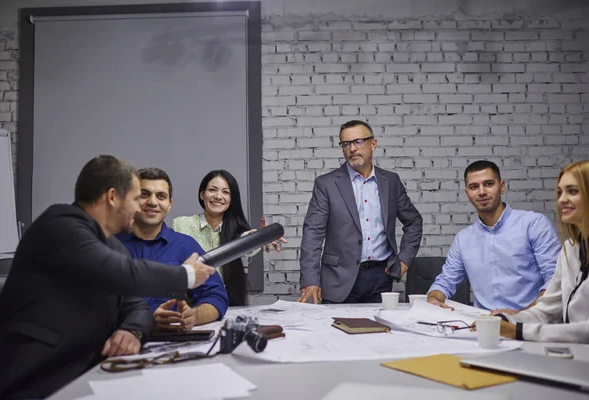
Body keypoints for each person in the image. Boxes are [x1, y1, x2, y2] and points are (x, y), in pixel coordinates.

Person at [0, 156, 216, 399]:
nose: (139, 208)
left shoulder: (110, 246)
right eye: (135, 199)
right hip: (31, 378)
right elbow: (124, 273)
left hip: (88, 373)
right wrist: (187, 274)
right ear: (112, 197)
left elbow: (136, 305)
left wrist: (132, 330)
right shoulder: (61, 224)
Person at [298, 120, 423, 304]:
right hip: (338, 279)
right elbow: (312, 233)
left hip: (381, 278)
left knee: (379, 331)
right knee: (335, 332)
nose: (352, 148)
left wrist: (404, 260)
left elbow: (413, 221)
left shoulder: (391, 181)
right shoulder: (326, 184)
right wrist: (310, 280)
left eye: (358, 141)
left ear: (373, 144)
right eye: (346, 144)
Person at [427, 160, 560, 312]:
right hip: (482, 324)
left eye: (488, 184)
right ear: (467, 193)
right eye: (474, 187)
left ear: (502, 187)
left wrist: (521, 315)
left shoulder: (534, 224)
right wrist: (433, 298)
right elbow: (445, 282)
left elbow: (555, 280)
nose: (482, 192)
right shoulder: (463, 239)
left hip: (529, 323)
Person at [116, 168, 228, 332]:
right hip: (120, 342)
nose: (153, 202)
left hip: (172, 344)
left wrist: (193, 316)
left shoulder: (185, 246)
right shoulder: (110, 244)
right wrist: (147, 320)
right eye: (145, 194)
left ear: (169, 205)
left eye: (161, 196)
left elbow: (216, 296)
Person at [495, 160, 589, 343]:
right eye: (560, 192)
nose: (562, 199)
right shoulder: (570, 250)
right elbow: (547, 310)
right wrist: (505, 320)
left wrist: (519, 331)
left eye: (573, 191)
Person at [173, 170, 286, 306]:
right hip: (190, 301)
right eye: (212, 190)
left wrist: (258, 238)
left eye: (225, 192)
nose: (218, 196)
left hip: (225, 302)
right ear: (202, 194)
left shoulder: (236, 230)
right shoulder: (182, 224)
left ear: (232, 199)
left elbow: (246, 243)